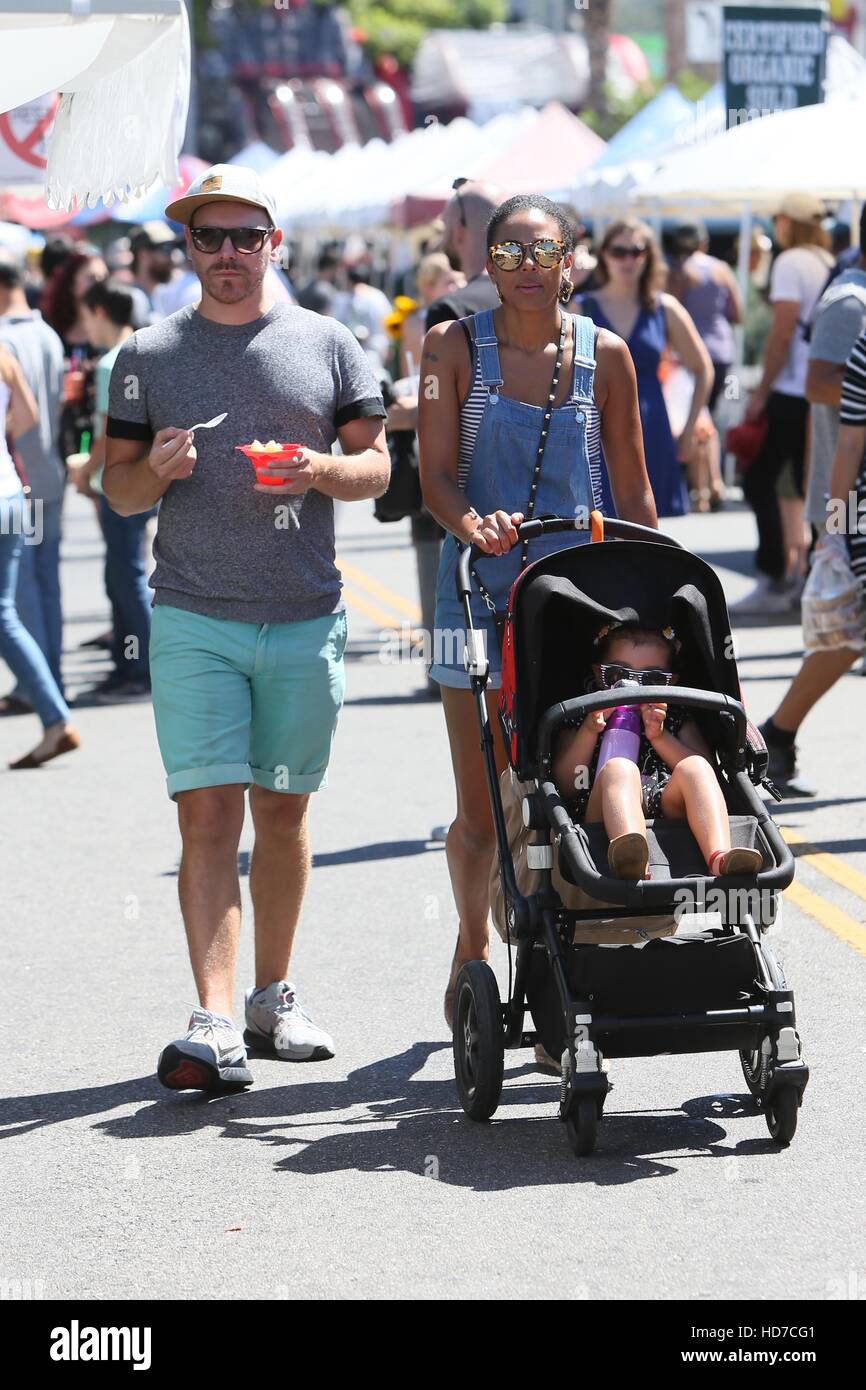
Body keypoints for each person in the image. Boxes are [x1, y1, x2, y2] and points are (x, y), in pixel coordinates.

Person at [102, 164, 389, 1093]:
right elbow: (116, 486)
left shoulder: (330, 342)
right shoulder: (147, 354)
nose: (226, 255)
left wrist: (316, 468)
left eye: (243, 237)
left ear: (274, 244)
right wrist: (160, 474)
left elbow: (378, 466)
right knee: (208, 816)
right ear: (187, 249)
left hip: (304, 613)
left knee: (283, 813)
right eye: (207, 238)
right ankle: (214, 1019)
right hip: (192, 616)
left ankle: (273, 995)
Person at [418, 192, 657, 1025]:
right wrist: (467, 521)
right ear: (487, 263)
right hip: (473, 595)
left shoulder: (609, 356)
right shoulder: (451, 346)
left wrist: (654, 593)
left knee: (566, 784)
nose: (527, 270)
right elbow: (436, 475)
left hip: (576, 598)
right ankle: (472, 943)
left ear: (570, 261)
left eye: (543, 253)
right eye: (509, 255)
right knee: (482, 804)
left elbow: (631, 488)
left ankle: (566, 968)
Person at [760, 253, 866, 796]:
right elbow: (822, 383)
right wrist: (834, 520)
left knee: (847, 632)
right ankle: (773, 736)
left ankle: (775, 736)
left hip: (843, 498)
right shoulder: (853, 301)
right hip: (850, 501)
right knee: (846, 629)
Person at [553, 622, 762, 879]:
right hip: (600, 813)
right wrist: (588, 731)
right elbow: (565, 785)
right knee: (620, 769)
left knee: (695, 766)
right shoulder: (582, 714)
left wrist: (660, 736)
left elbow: (708, 773)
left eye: (651, 679)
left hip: (665, 804)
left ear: (670, 682)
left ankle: (719, 857)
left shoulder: (673, 716)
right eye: (619, 675)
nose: (634, 688)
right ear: (599, 674)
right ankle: (632, 860)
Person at [734, 193, 835, 615]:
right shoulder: (827, 261)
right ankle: (805, 577)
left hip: (793, 389)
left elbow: (781, 334)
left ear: (788, 222)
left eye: (778, 219)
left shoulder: (791, 262)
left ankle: (775, 574)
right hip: (817, 391)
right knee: (809, 485)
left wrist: (760, 394)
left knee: (759, 478)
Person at [577, 218, 713, 519]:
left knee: (650, 534)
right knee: (595, 527)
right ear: (604, 255)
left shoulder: (664, 307)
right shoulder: (580, 308)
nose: (628, 259)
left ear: (649, 256)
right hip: (592, 428)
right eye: (618, 251)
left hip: (651, 426)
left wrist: (689, 429)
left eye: (637, 251)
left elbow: (703, 368)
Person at [73, 278, 156, 702]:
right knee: (127, 573)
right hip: (144, 480)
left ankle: (137, 668)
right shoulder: (145, 350)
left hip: (119, 483)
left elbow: (107, 436)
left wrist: (84, 469)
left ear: (100, 312)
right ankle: (131, 665)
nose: (84, 325)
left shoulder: (110, 362)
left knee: (124, 575)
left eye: (86, 315)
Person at [0, 344, 80, 768]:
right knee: (4, 614)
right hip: (10, 495)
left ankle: (54, 716)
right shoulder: (4, 353)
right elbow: (28, 417)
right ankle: (54, 717)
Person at [0, 257, 67, 712]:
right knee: (45, 581)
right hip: (48, 475)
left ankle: (38, 685)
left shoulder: (5, 338)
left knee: (22, 590)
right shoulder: (47, 333)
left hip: (21, 477)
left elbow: (21, 418)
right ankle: (51, 674)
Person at [332, 263, 392, 369]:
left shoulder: (347, 298)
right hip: (379, 351)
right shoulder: (379, 296)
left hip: (358, 353)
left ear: (350, 281)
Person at [128, 222, 178, 326]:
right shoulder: (132, 300)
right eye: (166, 249)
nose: (172, 258)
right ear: (144, 255)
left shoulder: (158, 296)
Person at [296, 249, 341, 316]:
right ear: (330, 268)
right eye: (337, 269)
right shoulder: (326, 291)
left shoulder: (302, 285)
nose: (338, 273)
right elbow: (327, 318)